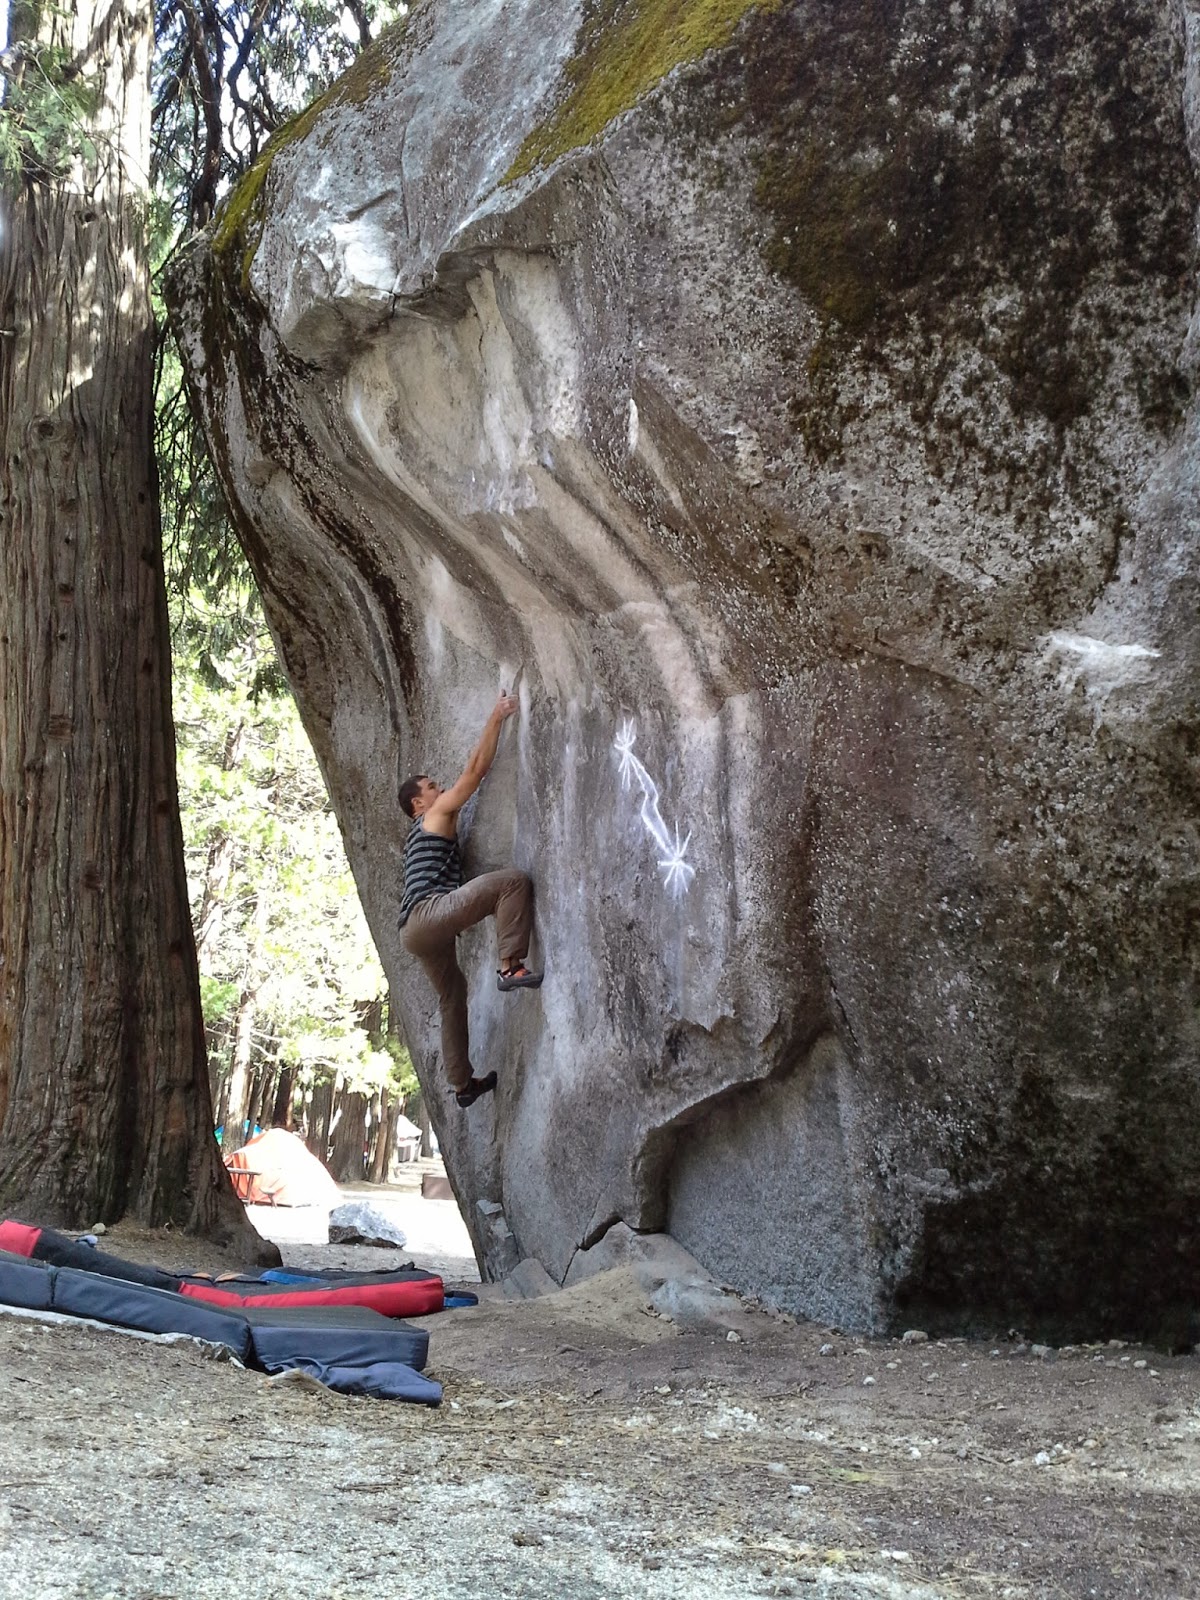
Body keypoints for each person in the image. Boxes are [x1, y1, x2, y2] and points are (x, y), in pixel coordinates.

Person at [398, 692, 542, 1108]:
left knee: (452, 995)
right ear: (418, 805)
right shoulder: (434, 814)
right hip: (429, 915)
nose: (440, 788)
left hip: (413, 932)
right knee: (513, 882)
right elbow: (475, 771)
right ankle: (510, 967)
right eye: (431, 787)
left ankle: (462, 1084)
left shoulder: (417, 838)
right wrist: (496, 715)